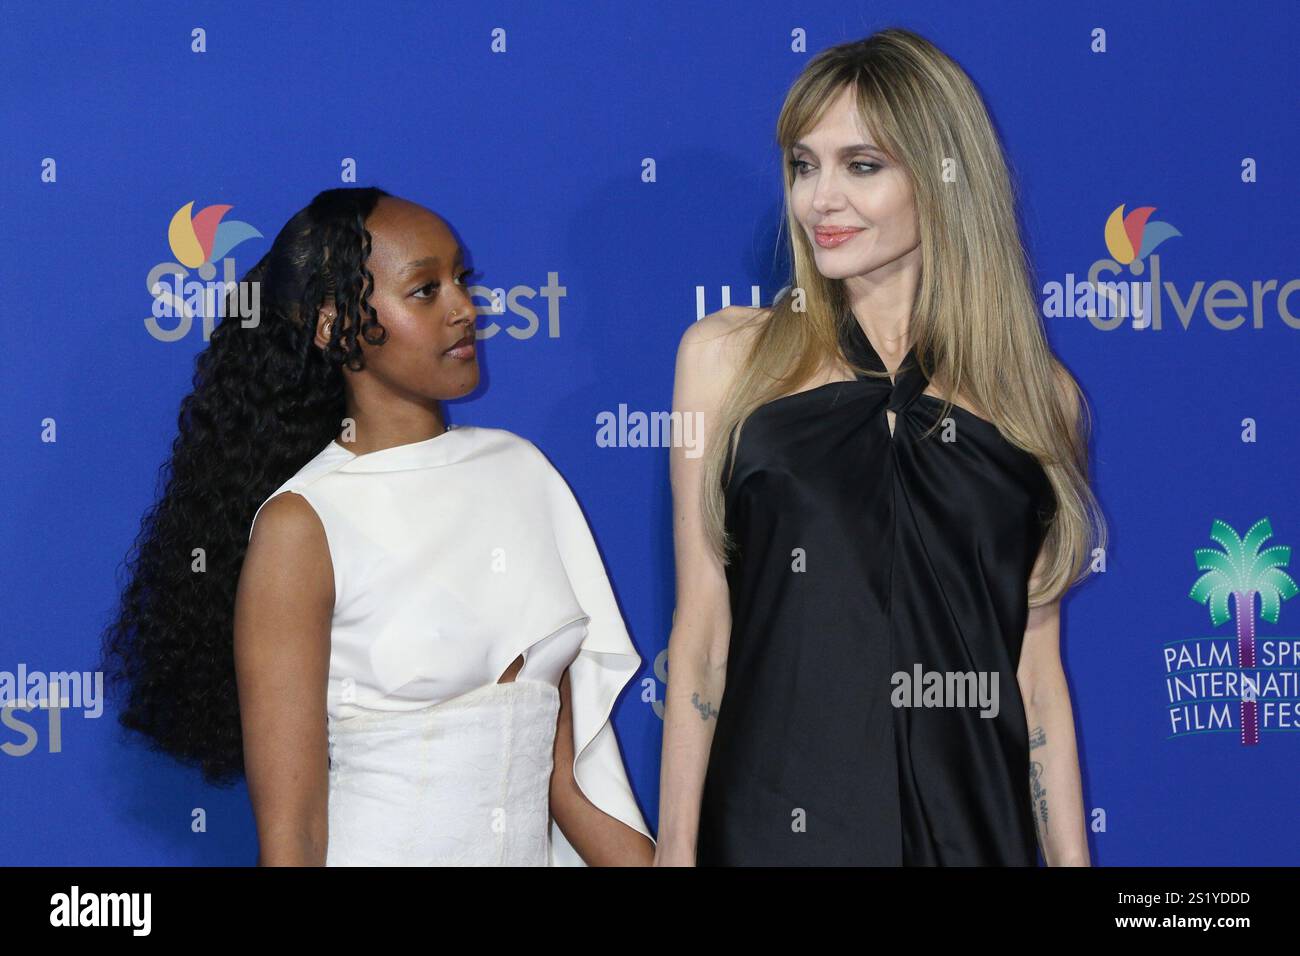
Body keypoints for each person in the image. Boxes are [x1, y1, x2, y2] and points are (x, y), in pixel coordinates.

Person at [101, 186, 654, 866]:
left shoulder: (524, 474)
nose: (464, 309)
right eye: (425, 290)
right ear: (334, 326)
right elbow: (294, 835)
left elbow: (566, 779)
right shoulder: (302, 525)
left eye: (462, 279)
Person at [656, 29, 1104, 866]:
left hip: (974, 830)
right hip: (776, 826)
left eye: (862, 165)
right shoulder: (725, 360)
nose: (821, 198)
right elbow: (704, 635)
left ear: (942, 178)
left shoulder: (1039, 398)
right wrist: (674, 854)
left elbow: (1034, 675)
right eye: (803, 164)